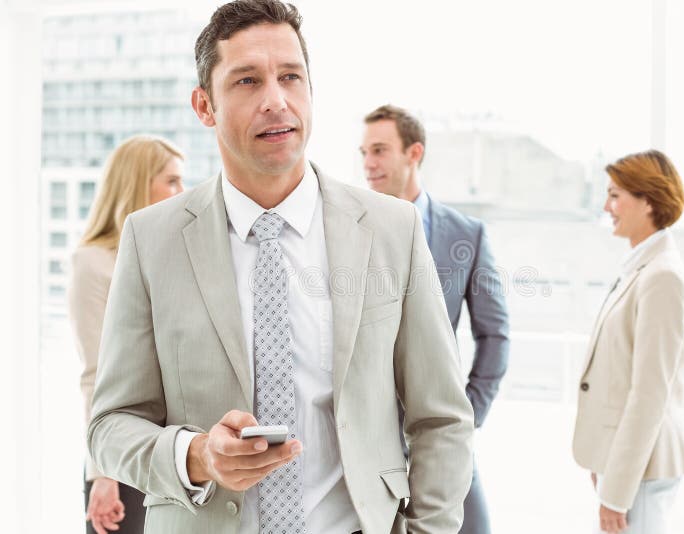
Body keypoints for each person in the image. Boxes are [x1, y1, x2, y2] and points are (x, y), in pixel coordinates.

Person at [87, 2, 474, 534]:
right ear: (205, 106)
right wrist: (195, 454)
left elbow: (442, 417)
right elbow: (109, 426)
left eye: (290, 77)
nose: (275, 101)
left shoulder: (393, 229)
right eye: (247, 81)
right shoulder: (150, 239)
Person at [360, 104, 509, 534]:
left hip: (440, 428)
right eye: (364, 152)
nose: (368, 164)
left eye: (380, 150)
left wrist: (469, 413)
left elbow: (495, 334)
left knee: (473, 526)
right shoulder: (350, 228)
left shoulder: (466, 234)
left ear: (414, 153)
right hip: (368, 437)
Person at [67, 134, 185, 534]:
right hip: (125, 457)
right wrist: (103, 474)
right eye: (171, 181)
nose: (181, 192)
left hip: (181, 452)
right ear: (138, 183)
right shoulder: (93, 263)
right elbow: (96, 375)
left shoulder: (173, 259)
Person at [572, 150, 684, 534]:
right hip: (631, 467)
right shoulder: (643, 268)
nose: (608, 206)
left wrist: (617, 492)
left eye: (615, 195)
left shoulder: (662, 278)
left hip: (643, 470)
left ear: (648, 201)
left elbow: (648, 395)